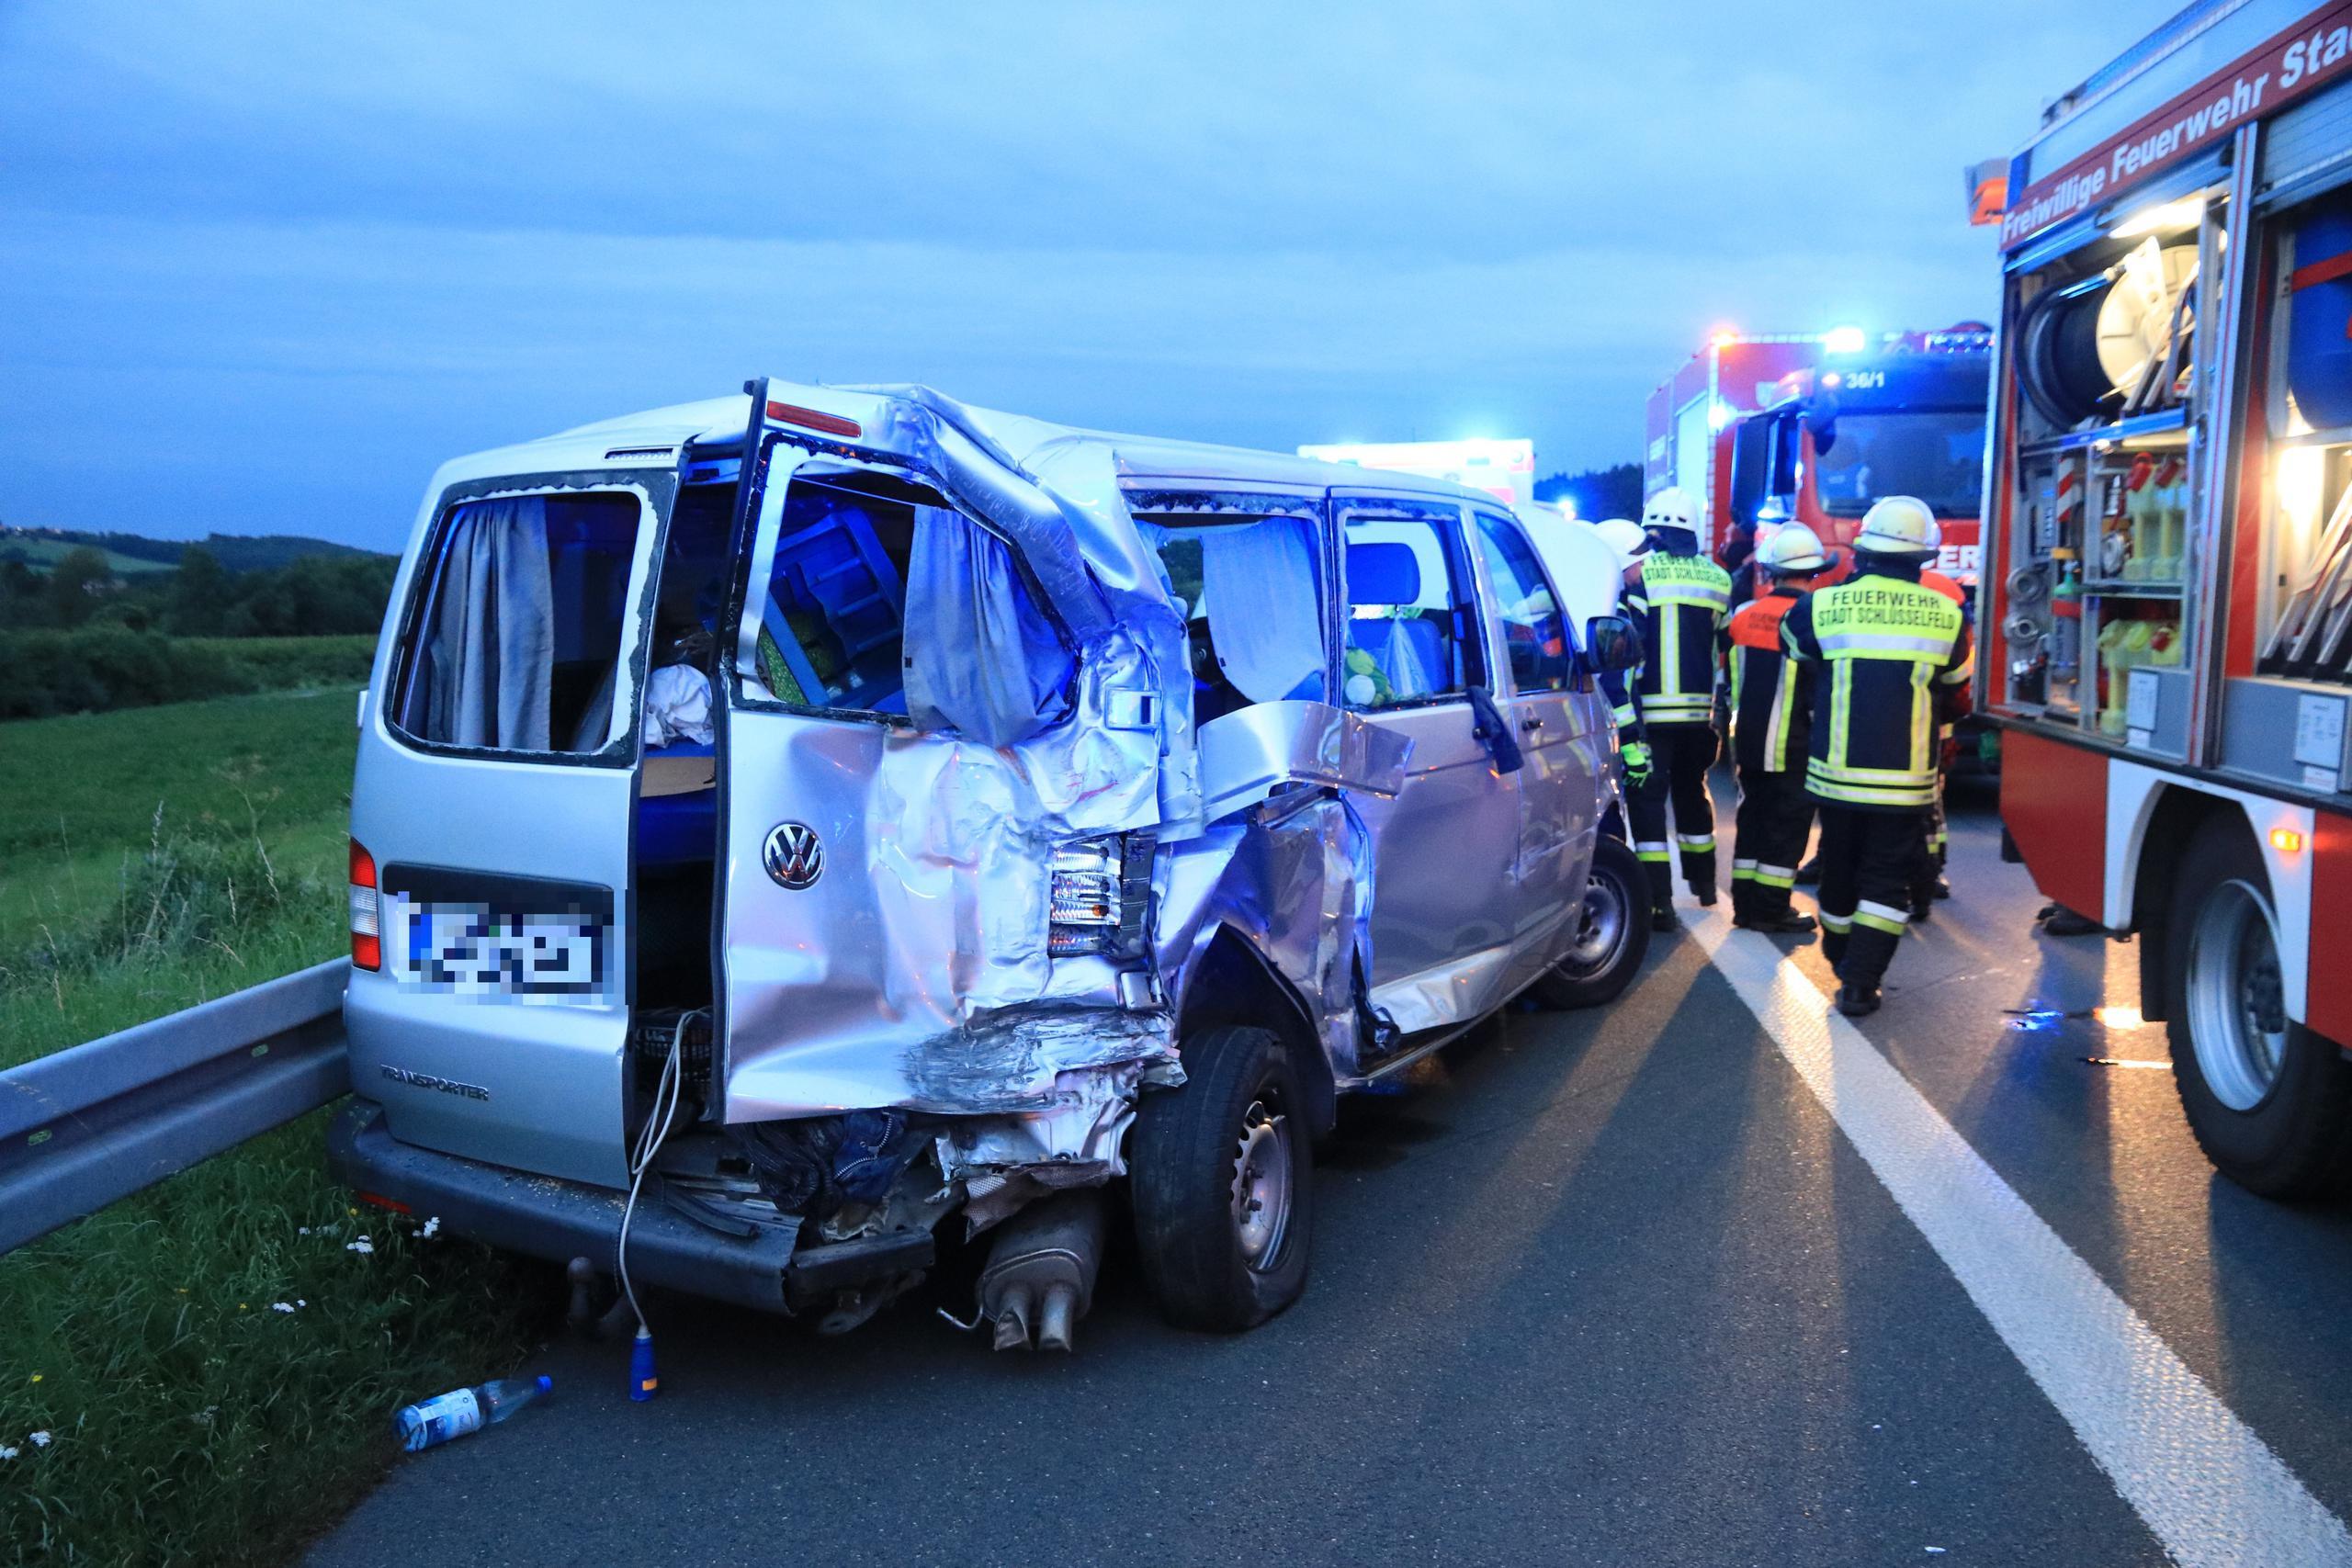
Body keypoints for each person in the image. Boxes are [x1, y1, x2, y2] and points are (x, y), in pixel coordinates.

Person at [1781, 496, 1973, 1017]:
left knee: (1839, 872)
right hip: (1905, 784)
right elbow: (1958, 689)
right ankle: (1860, 984)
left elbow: (1793, 647)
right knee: (1886, 881)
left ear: (1862, 550)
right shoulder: (1947, 616)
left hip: (1835, 778)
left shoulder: (1821, 606)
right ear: (1924, 557)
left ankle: (1841, 956)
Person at [1623, 487, 1733, 924]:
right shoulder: (1719, 579)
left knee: (1648, 803)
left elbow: (1630, 641)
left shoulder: (1641, 573)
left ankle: (1659, 902)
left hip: (1651, 714)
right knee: (1693, 793)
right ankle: (1704, 885)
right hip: (1698, 714)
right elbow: (1722, 640)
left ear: (1650, 529)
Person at [1724, 523, 1830, 933]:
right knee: (1786, 829)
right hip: (1792, 743)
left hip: (1747, 741)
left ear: (1771, 571)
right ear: (1813, 572)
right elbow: (1816, 690)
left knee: (1752, 821)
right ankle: (1771, 910)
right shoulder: (1813, 620)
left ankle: (1745, 906)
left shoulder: (1742, 616)